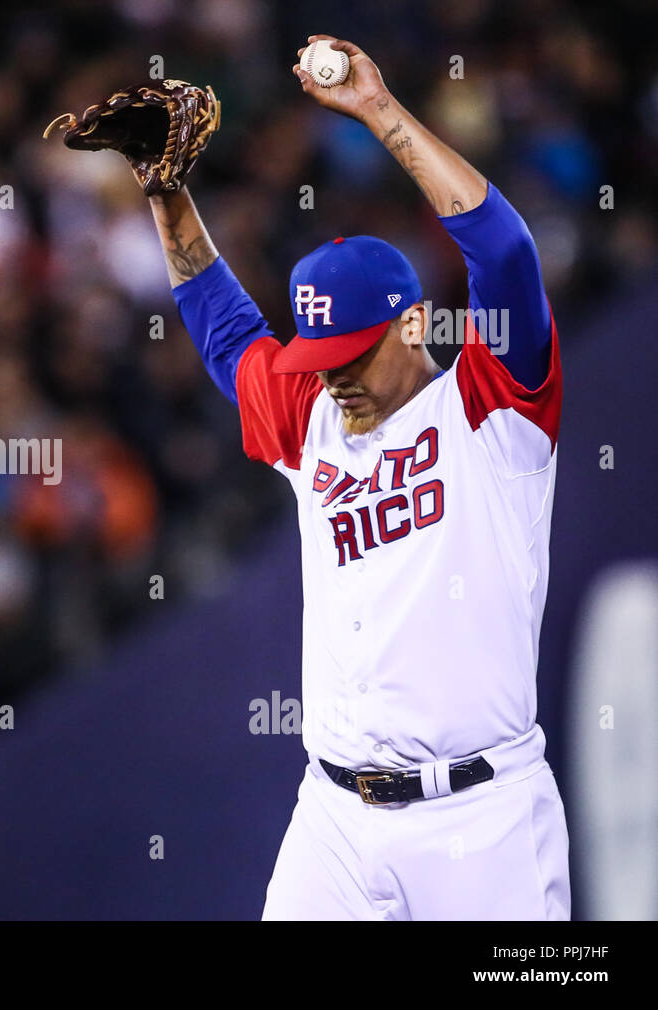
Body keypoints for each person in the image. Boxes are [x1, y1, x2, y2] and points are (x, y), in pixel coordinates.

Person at [148, 36, 568, 919]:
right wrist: (166, 192)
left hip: (482, 823)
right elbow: (225, 330)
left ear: (415, 324)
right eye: (319, 353)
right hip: (334, 821)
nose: (331, 372)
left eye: (351, 352)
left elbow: (507, 253)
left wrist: (380, 110)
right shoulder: (314, 421)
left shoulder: (494, 409)